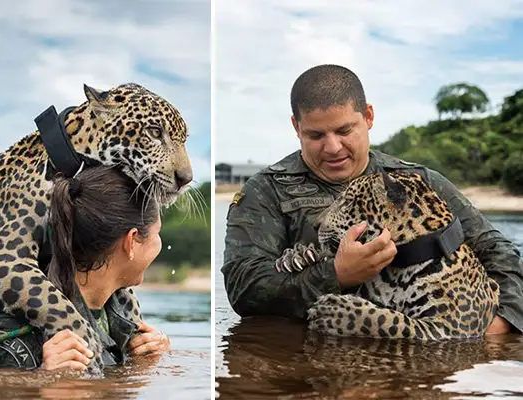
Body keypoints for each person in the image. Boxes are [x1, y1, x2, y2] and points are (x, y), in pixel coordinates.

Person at [222, 64, 523, 335]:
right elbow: (243, 287)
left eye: (344, 130)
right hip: (306, 358)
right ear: (296, 127)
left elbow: (497, 250)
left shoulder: (416, 182)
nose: (332, 147)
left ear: (368, 117)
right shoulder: (266, 190)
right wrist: (336, 275)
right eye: (315, 135)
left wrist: (503, 321)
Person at [0, 165, 170, 371]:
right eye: (157, 233)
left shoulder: (120, 314)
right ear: (131, 241)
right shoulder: (10, 331)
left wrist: (152, 357)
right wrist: (43, 377)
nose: (160, 244)